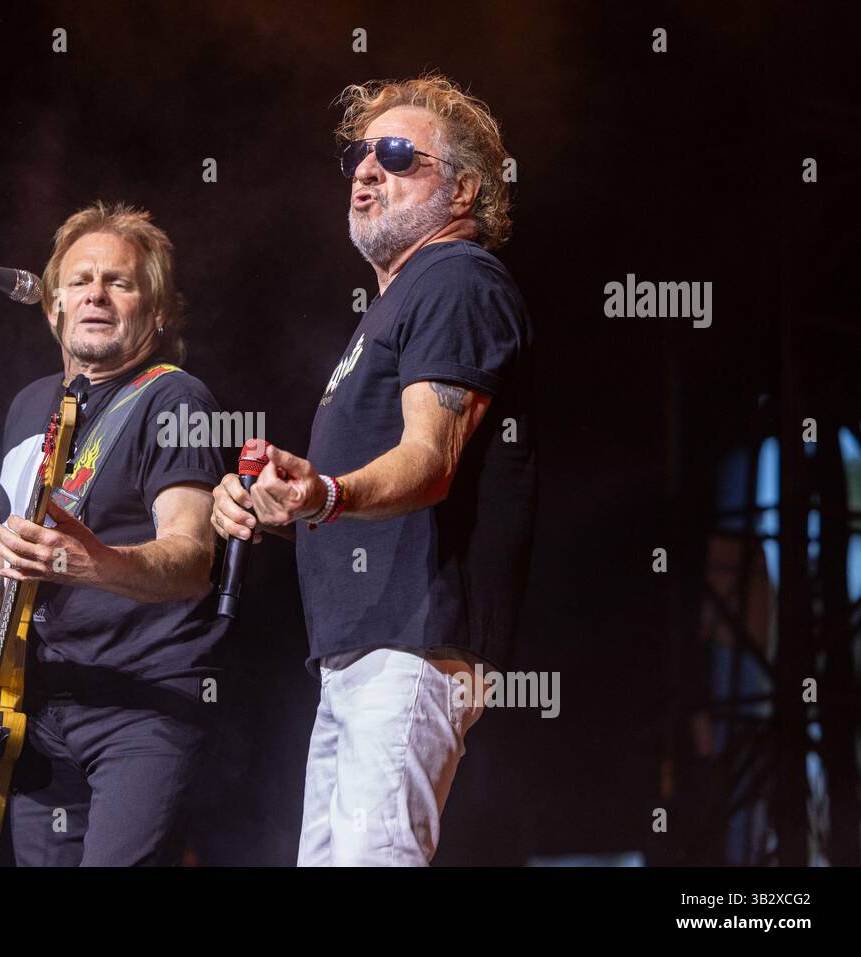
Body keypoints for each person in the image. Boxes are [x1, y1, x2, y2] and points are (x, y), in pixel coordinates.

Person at [211, 72, 538, 866]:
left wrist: (323, 492)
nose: (365, 169)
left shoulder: (456, 279)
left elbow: (430, 461)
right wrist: (279, 502)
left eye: (396, 154)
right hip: (361, 648)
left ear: (462, 188)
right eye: (359, 154)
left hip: (411, 638)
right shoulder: (398, 303)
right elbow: (354, 499)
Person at [0, 201, 228, 865]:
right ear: (53, 307)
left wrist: (89, 562)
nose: (95, 293)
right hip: (35, 708)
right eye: (80, 280)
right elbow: (17, 535)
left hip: (141, 706)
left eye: (119, 282)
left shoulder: (176, 400)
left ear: (157, 311)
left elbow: (191, 557)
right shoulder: (30, 405)